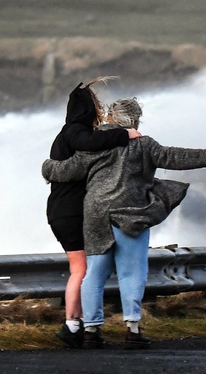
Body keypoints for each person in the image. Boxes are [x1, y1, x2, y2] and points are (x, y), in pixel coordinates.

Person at [42, 97, 206, 349]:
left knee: (94, 273)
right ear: (136, 119)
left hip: (97, 214)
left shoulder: (95, 144)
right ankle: (132, 330)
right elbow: (171, 157)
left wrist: (47, 167)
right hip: (132, 214)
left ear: (110, 117)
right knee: (131, 272)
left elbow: (68, 170)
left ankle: (91, 331)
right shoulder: (143, 144)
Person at [46, 78, 141, 349]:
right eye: (94, 105)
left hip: (63, 211)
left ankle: (79, 324)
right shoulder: (74, 131)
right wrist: (124, 135)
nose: (98, 109)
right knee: (82, 270)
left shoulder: (67, 134)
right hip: (70, 212)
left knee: (83, 269)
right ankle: (72, 325)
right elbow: (89, 142)